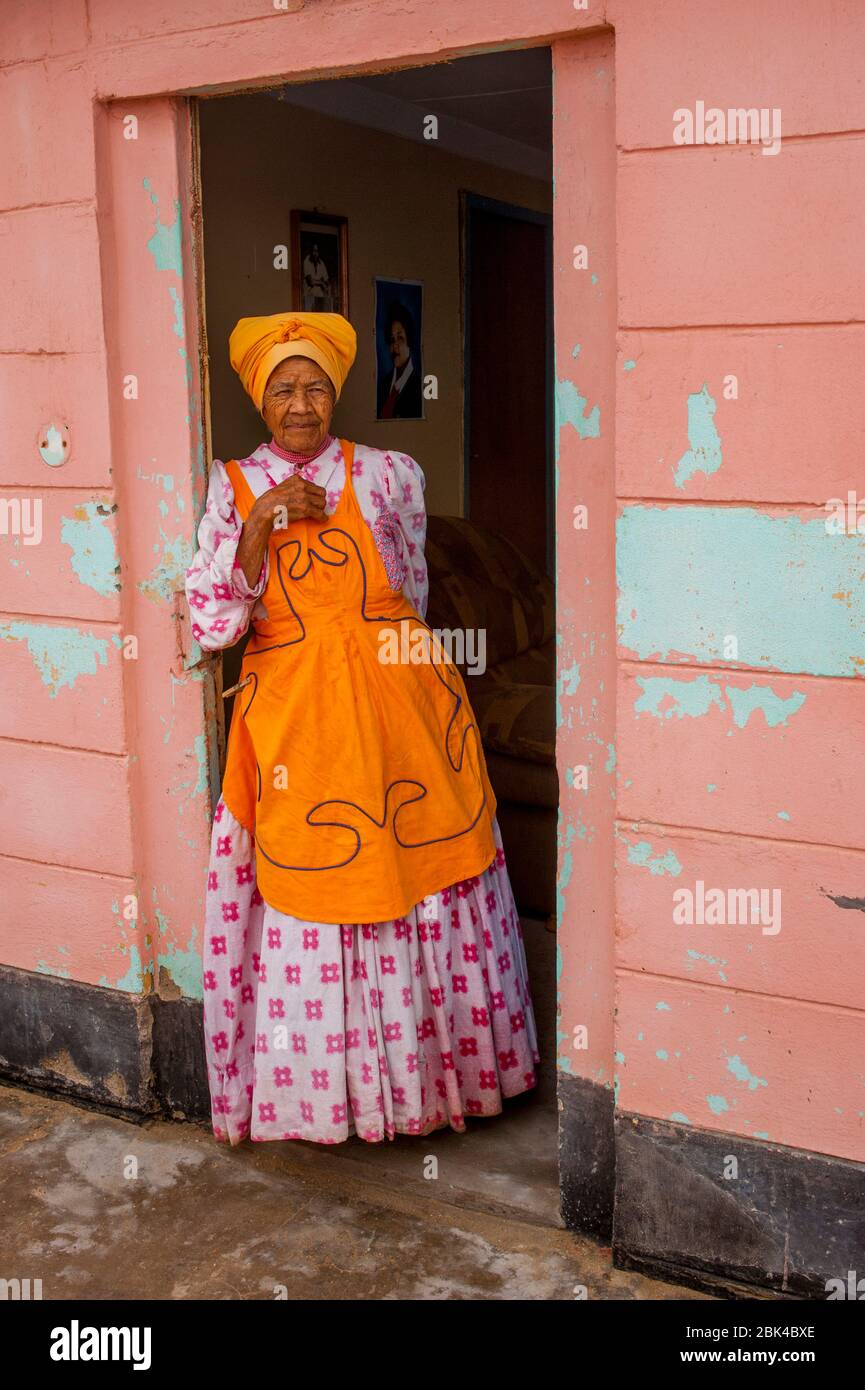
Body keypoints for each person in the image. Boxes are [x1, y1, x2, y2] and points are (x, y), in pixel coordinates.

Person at [185, 310, 539, 1145]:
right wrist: (263, 520)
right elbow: (210, 624)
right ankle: (337, 1102)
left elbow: (409, 586)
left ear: (334, 394)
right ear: (259, 401)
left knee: (425, 868)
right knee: (325, 876)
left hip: (404, 708)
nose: (300, 404)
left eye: (314, 387)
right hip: (295, 722)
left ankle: (437, 1081)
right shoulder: (232, 487)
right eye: (282, 389)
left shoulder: (389, 473)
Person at [377, 300, 423, 418]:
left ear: (410, 341)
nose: (395, 345)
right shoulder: (384, 385)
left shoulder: (420, 386)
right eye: (392, 339)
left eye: (400, 338)